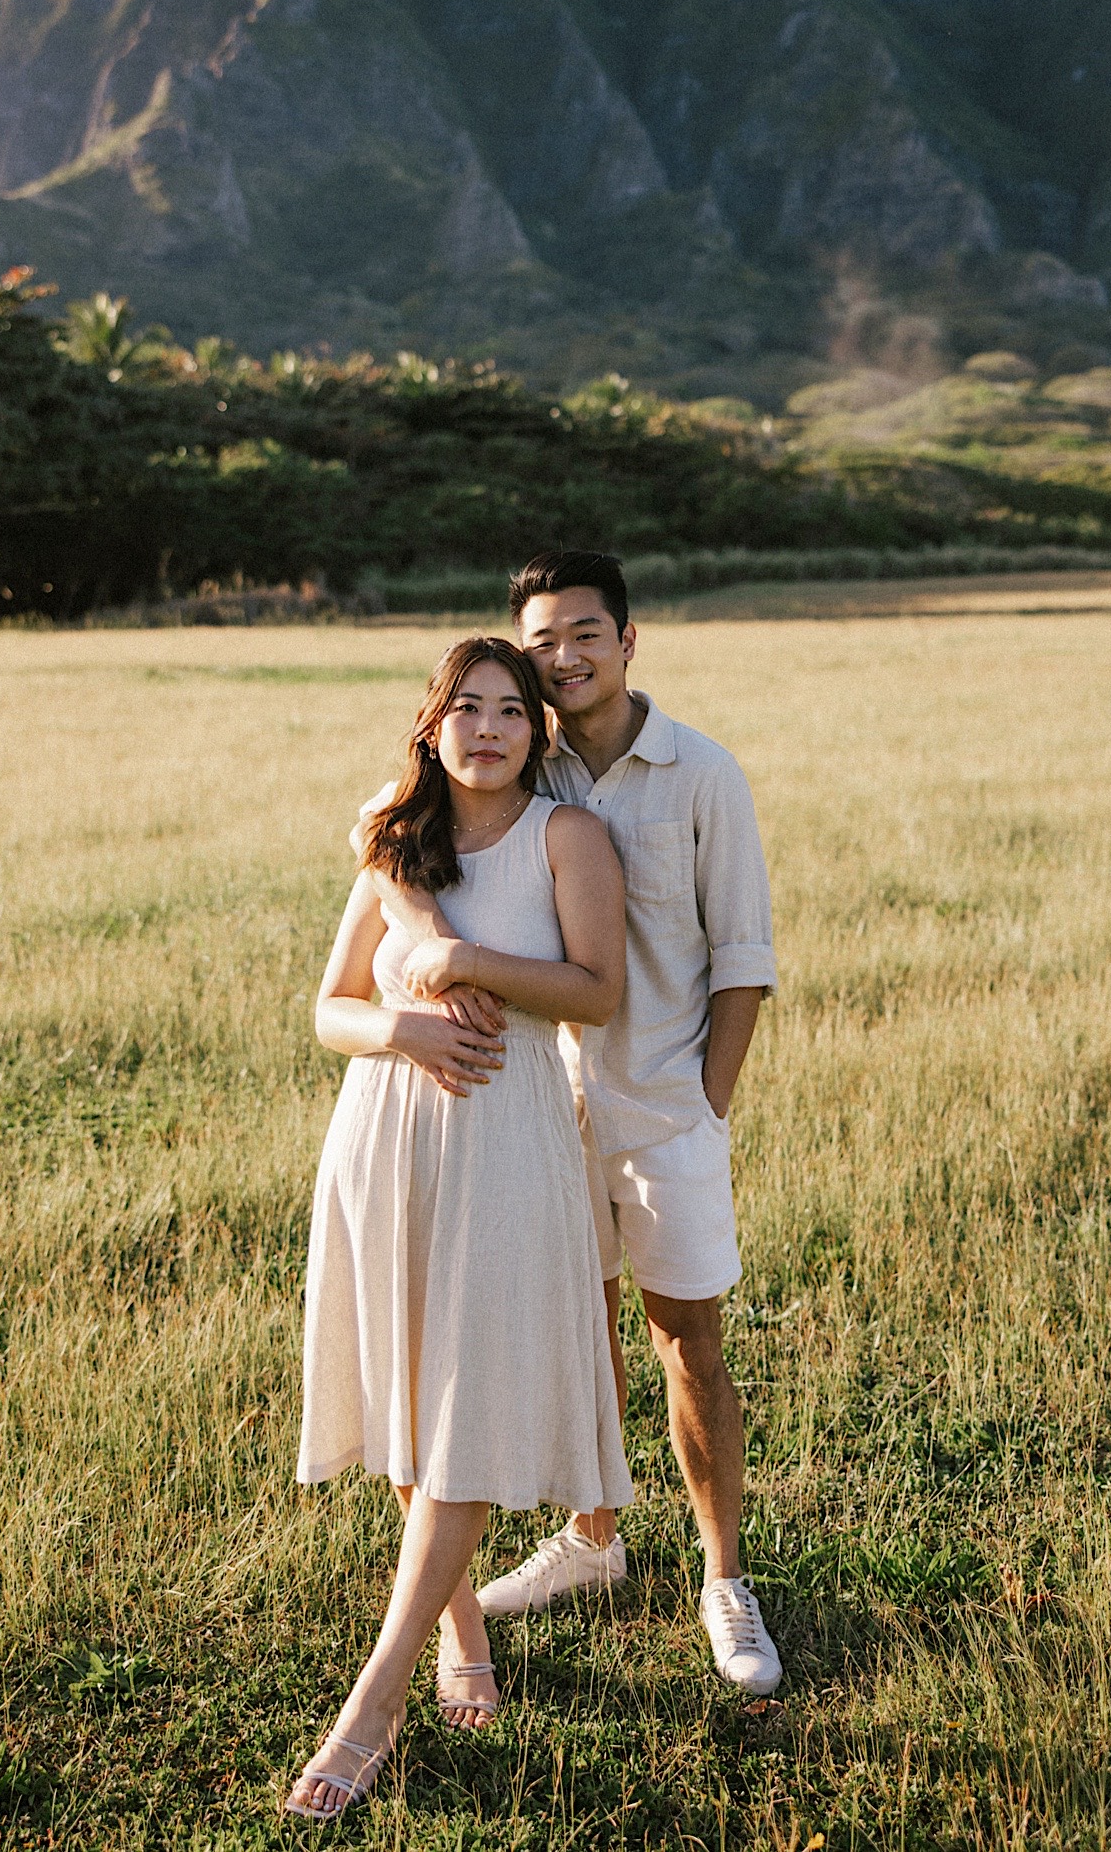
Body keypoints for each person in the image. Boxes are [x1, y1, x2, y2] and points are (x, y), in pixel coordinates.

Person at [374, 550, 782, 1695]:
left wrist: (709, 1107)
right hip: (539, 1115)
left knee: (685, 1340)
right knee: (577, 1333)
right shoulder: (522, 769)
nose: (563, 657)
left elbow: (743, 961)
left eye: (583, 635)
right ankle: (594, 1542)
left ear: (628, 639)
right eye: (542, 640)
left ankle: (723, 1579)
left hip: (665, 1110)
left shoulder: (702, 774)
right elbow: (392, 822)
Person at [287, 635, 633, 1821]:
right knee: (408, 1393)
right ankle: (462, 1630)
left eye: (510, 710)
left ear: (539, 731)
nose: (487, 728)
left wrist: (458, 958)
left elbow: (597, 989)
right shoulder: (400, 842)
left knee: (466, 1402)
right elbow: (331, 1007)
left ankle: (373, 1701)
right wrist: (408, 1028)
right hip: (386, 1133)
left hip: (507, 1135)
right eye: (464, 709)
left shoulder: (566, 838)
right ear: (431, 727)